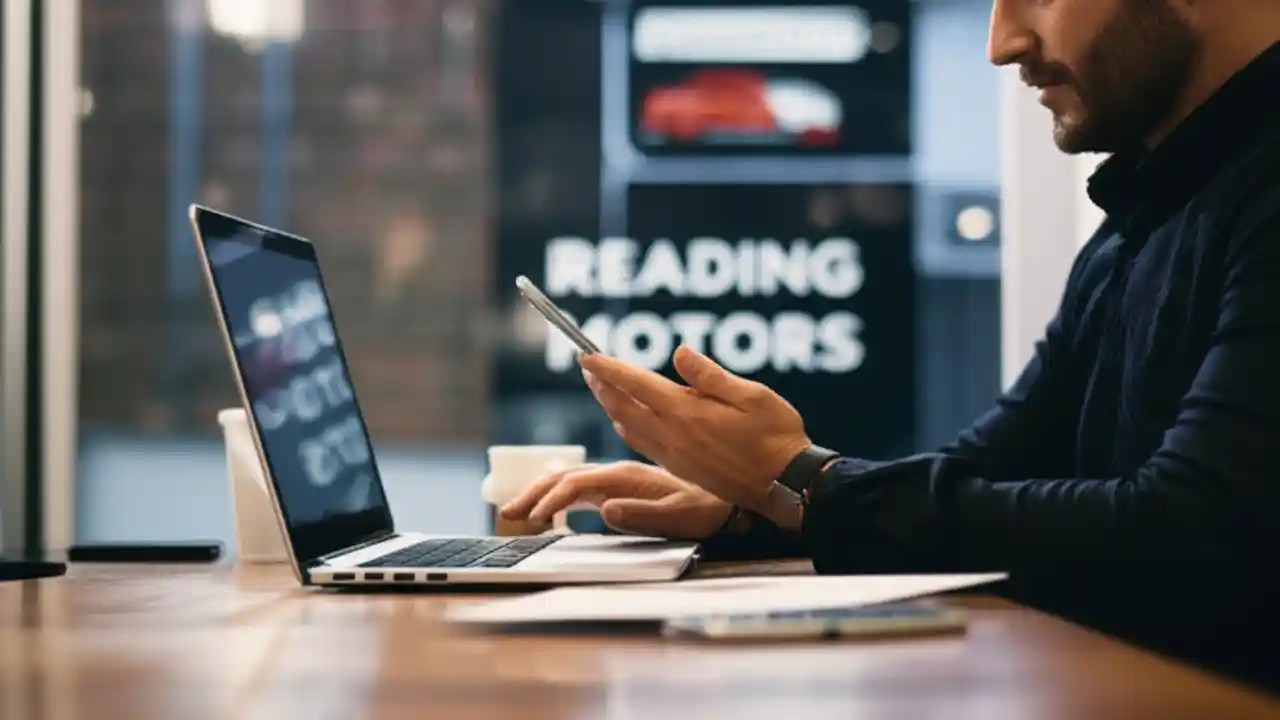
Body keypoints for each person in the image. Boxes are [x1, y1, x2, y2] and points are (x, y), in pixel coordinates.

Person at [503, 0, 1280, 686]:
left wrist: (803, 474)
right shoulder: (1147, 214)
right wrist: (766, 505)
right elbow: (992, 466)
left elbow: (1192, 539)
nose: (1002, 41)